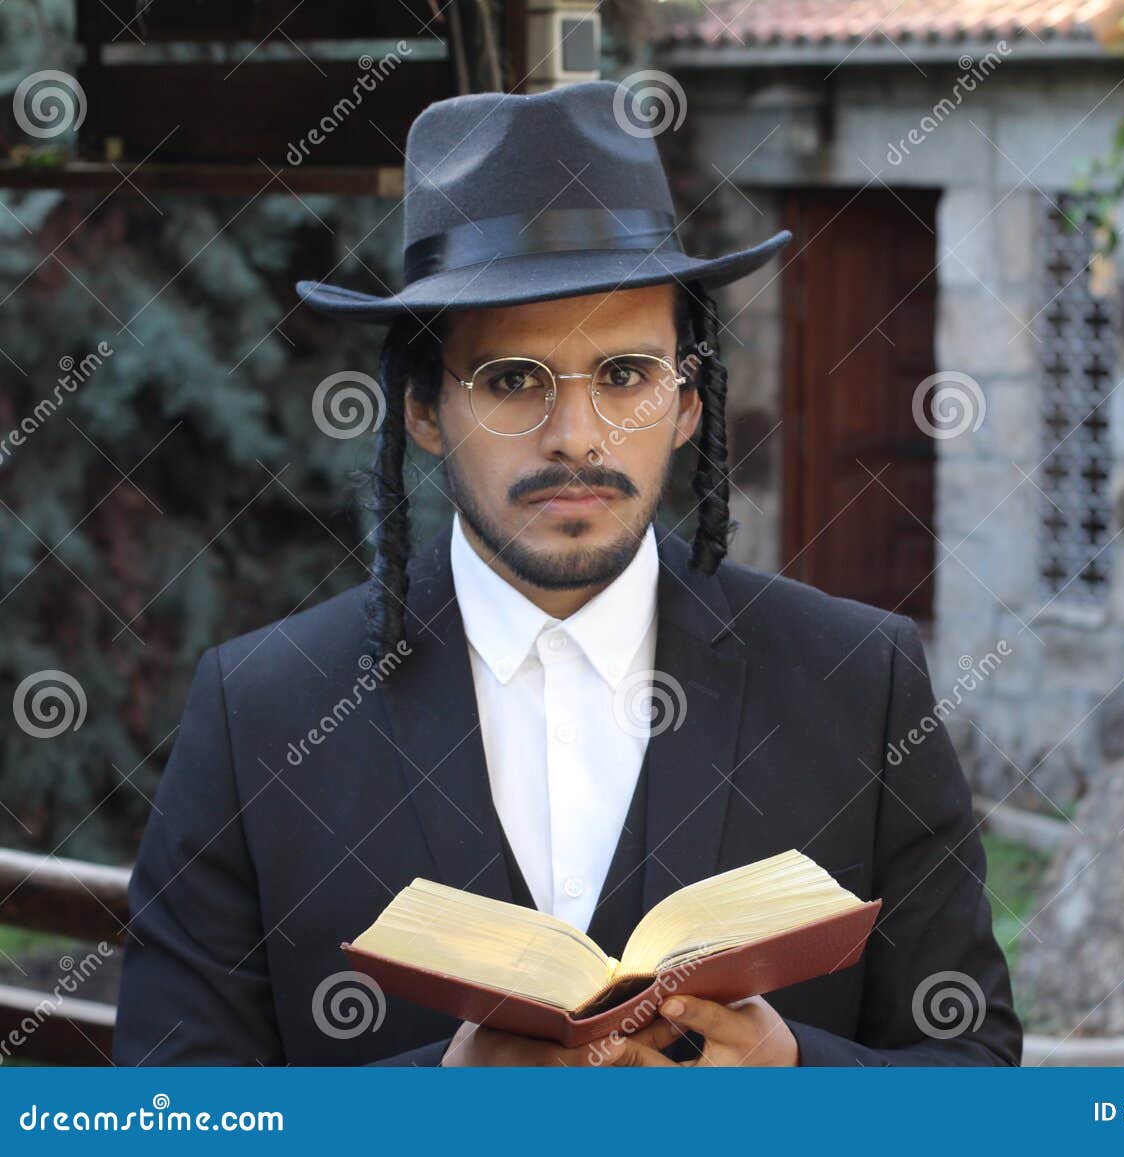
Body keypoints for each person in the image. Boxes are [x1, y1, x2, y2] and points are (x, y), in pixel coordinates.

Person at [112, 80, 1020, 1067]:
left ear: (687, 401)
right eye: (511, 381)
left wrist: (794, 1077)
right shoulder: (262, 713)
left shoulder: (858, 680)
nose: (575, 436)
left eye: (624, 376)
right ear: (422, 410)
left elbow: (970, 1065)